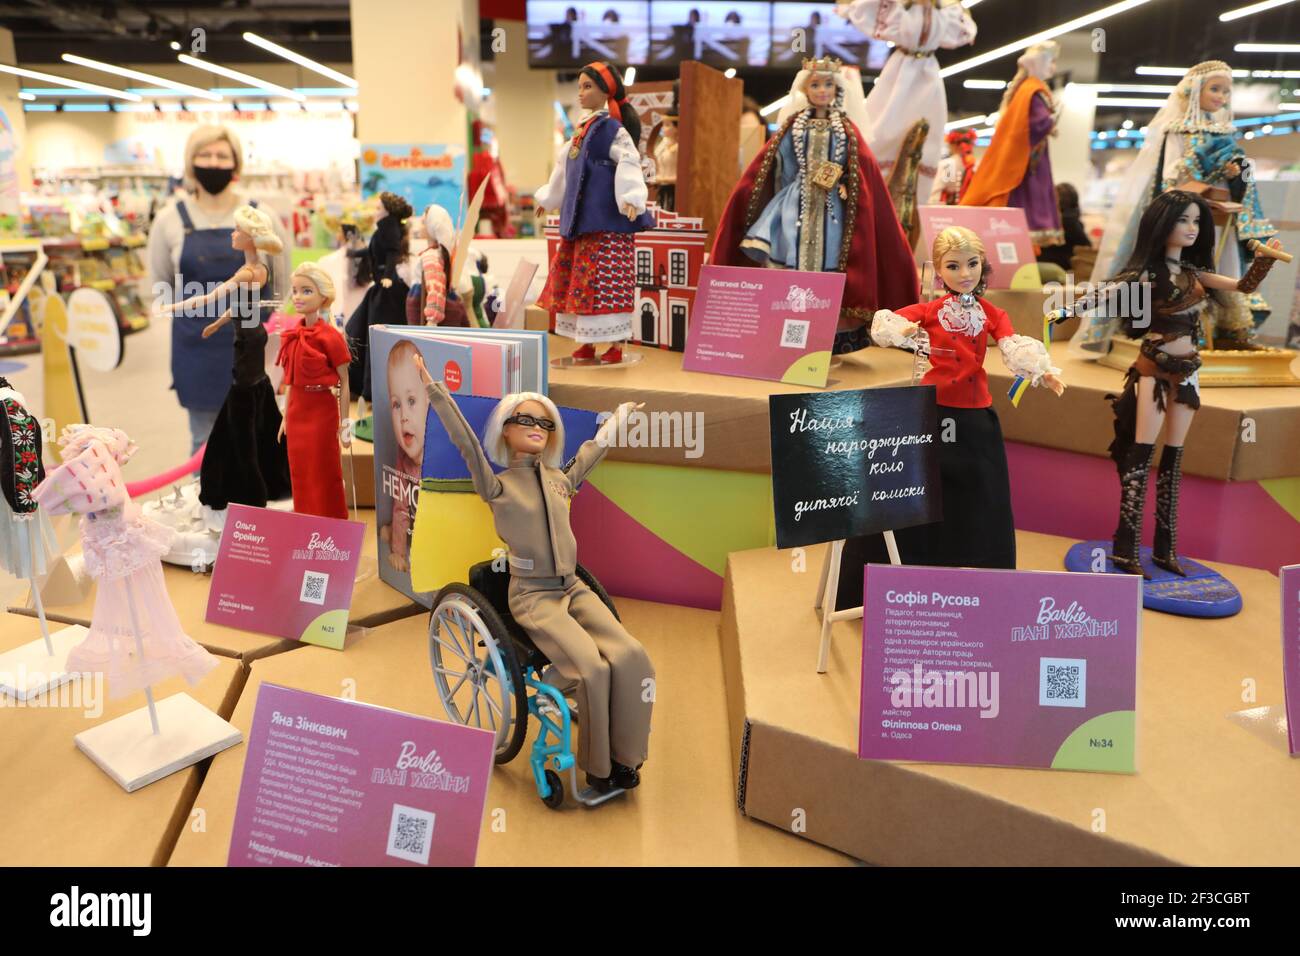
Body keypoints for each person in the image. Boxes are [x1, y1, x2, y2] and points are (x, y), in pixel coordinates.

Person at [416, 353, 654, 794]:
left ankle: (627, 756)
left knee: (634, 657)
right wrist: (436, 392)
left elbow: (591, 453)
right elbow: (466, 442)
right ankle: (599, 768)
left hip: (574, 587)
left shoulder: (560, 482)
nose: (536, 428)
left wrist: (617, 421)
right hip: (532, 596)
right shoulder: (499, 486)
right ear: (505, 427)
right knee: (591, 669)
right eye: (525, 419)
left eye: (545, 423)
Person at [1101, 191, 1283, 576]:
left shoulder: (1195, 274)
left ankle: (1164, 548)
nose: (1191, 228)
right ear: (1162, 223)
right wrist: (1064, 310)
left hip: (1188, 371)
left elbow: (1244, 286)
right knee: (1141, 455)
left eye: (1196, 221)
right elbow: (1104, 293)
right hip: (1154, 368)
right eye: (1183, 220)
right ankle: (1125, 546)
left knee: (1174, 457)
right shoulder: (1146, 274)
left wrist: (1264, 260)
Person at [710, 56, 919, 354]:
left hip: (832, 207)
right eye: (816, 85)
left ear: (838, 89)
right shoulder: (794, 126)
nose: (822, 91)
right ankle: (782, 331)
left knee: (828, 265)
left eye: (828, 85)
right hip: (795, 204)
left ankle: (824, 335)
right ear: (805, 89)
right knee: (788, 266)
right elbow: (774, 163)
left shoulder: (845, 128)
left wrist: (845, 184)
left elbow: (860, 168)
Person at [1084, 60, 1275, 353]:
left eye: (1226, 91)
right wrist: (1196, 187)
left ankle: (1228, 329)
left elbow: (1237, 176)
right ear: (1192, 91)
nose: (1221, 96)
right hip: (1187, 212)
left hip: (1218, 216)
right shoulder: (1177, 131)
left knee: (1222, 263)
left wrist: (1234, 174)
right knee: (1182, 271)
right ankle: (1182, 328)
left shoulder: (1224, 133)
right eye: (1215, 89)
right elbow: (1170, 177)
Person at [147, 125, 290, 454]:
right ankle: (210, 507)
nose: (213, 163)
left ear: (236, 164)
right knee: (204, 444)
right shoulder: (168, 220)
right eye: (204, 155)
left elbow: (281, 288)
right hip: (197, 350)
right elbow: (162, 285)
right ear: (190, 162)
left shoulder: (262, 215)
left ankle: (251, 507)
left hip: (254, 346)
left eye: (222, 156)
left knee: (257, 440)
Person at [535, 61, 655, 365]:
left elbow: (629, 162)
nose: (581, 93)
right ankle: (587, 343)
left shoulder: (613, 130)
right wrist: (548, 198)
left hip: (607, 222)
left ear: (605, 92)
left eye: (587, 87)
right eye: (579, 87)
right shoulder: (580, 132)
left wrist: (630, 197)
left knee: (606, 281)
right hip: (582, 223)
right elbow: (563, 169)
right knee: (581, 282)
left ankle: (614, 344)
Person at [961, 42, 1064, 248]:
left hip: (1028, 158)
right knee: (1026, 201)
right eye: (1051, 62)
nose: (1053, 68)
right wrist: (1053, 119)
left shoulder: (1027, 89)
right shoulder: (1033, 90)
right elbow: (1036, 123)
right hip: (1026, 163)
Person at [277, 262, 352, 520]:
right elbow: (289, 381)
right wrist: (286, 416)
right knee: (300, 473)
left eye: (306, 291)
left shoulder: (329, 336)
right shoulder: (293, 334)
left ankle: (331, 529)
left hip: (320, 412)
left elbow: (343, 380)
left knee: (324, 472)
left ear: (323, 296)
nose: (298, 297)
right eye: (295, 291)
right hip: (297, 412)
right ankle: (305, 526)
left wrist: (345, 424)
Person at [380, 341, 428, 573]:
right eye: (396, 405)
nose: (404, 417)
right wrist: (398, 552)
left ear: (429, 401)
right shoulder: (403, 456)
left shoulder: (437, 447)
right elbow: (401, 505)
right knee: (397, 519)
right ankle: (391, 534)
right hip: (415, 528)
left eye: (411, 401)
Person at [1037, 183, 1093, 278]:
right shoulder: (1071, 220)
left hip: (1049, 268)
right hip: (1063, 269)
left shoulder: (1060, 220)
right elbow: (1086, 245)